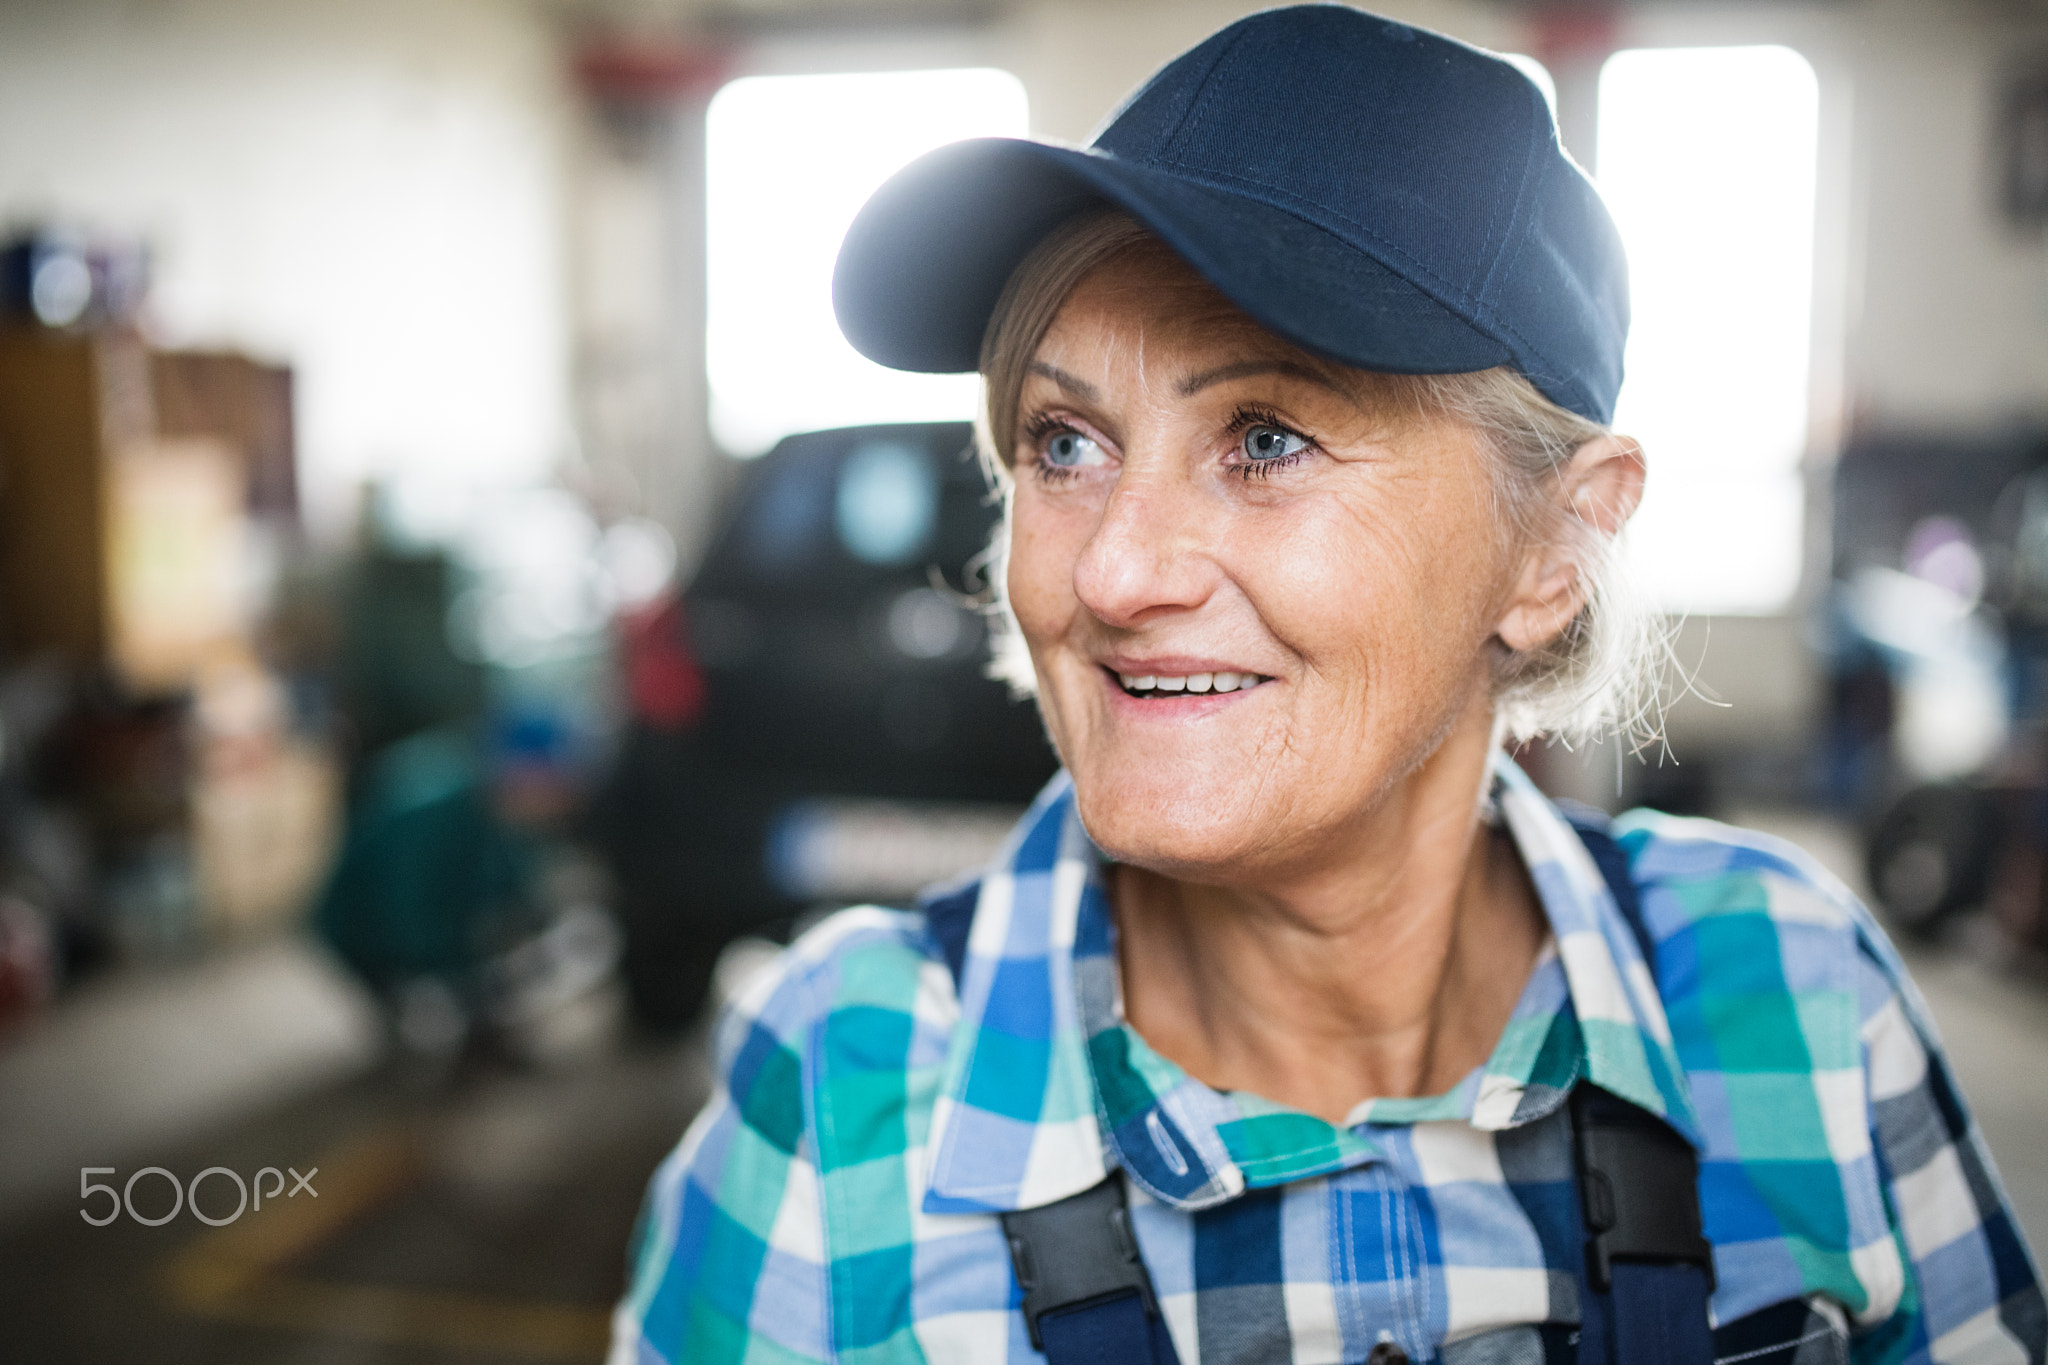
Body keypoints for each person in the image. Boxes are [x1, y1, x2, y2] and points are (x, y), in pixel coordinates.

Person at [610, 9, 2044, 1363]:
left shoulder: (1793, 997)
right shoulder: (844, 1093)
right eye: (1062, 442)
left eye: (1269, 438)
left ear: (1553, 545)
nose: (1112, 574)